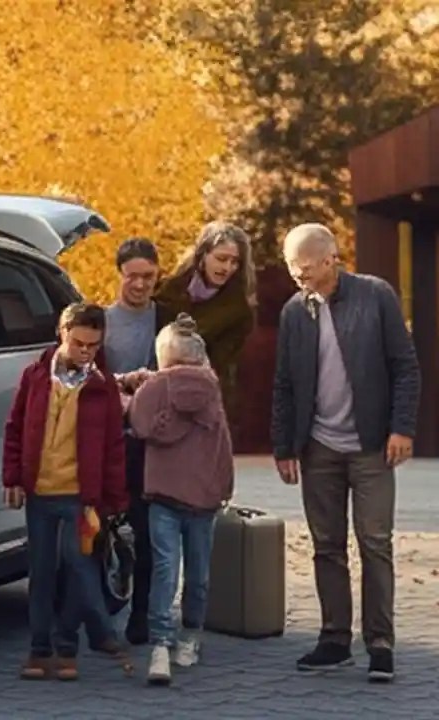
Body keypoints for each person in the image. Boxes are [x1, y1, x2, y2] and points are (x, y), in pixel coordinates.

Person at [271, 223, 420, 683]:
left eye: (306, 268)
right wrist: (284, 445)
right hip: (319, 449)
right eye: (293, 269)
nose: (299, 277)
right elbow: (284, 384)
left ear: (331, 259)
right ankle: (335, 639)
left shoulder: (376, 296)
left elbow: (405, 367)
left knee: (375, 544)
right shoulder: (294, 312)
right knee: (326, 546)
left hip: (373, 445)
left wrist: (401, 428)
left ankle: (380, 643)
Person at [3, 302, 128, 681]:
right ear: (62, 333)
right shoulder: (35, 376)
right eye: (78, 343)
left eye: (93, 346)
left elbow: (113, 447)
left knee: (78, 565)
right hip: (39, 491)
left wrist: (112, 500)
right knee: (41, 572)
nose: (85, 352)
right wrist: (12, 477)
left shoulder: (102, 387)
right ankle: (40, 649)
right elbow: (15, 426)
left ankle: (79, 642)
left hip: (79, 495)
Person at [126, 313, 234, 686]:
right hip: (203, 499)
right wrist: (224, 488)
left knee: (163, 570)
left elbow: (139, 426)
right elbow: (224, 445)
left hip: (163, 496)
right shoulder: (212, 389)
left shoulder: (153, 388)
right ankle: (191, 637)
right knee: (198, 574)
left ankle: (160, 645)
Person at [105, 236, 177, 647]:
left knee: (151, 533)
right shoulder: (100, 320)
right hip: (112, 443)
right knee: (104, 529)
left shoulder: (167, 319)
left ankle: (142, 615)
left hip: (154, 444)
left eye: (148, 276)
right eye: (133, 276)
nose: (140, 284)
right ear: (120, 274)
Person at [152, 221, 257, 427]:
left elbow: (220, 365)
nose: (227, 267)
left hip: (201, 401)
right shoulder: (167, 290)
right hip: (155, 394)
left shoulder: (237, 311)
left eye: (234, 262)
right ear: (202, 255)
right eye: (221, 259)